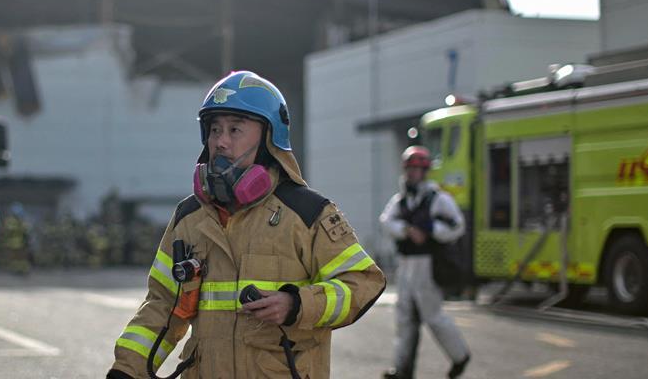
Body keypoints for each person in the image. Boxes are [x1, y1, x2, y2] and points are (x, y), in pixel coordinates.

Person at [108, 71, 386, 379]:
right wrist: (126, 372)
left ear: (268, 138)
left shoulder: (307, 213)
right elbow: (162, 304)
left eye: (235, 129)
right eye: (214, 129)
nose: (221, 141)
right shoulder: (189, 217)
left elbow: (362, 283)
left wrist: (297, 304)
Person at [379, 146, 471, 379]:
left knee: (433, 316)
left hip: (428, 264)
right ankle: (402, 370)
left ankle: (460, 356)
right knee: (404, 317)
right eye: (411, 169)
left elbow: (457, 226)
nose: (414, 174)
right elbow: (386, 221)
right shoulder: (400, 200)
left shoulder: (438, 198)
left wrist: (430, 230)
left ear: (425, 171)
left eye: (418, 169)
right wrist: (407, 230)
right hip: (406, 264)